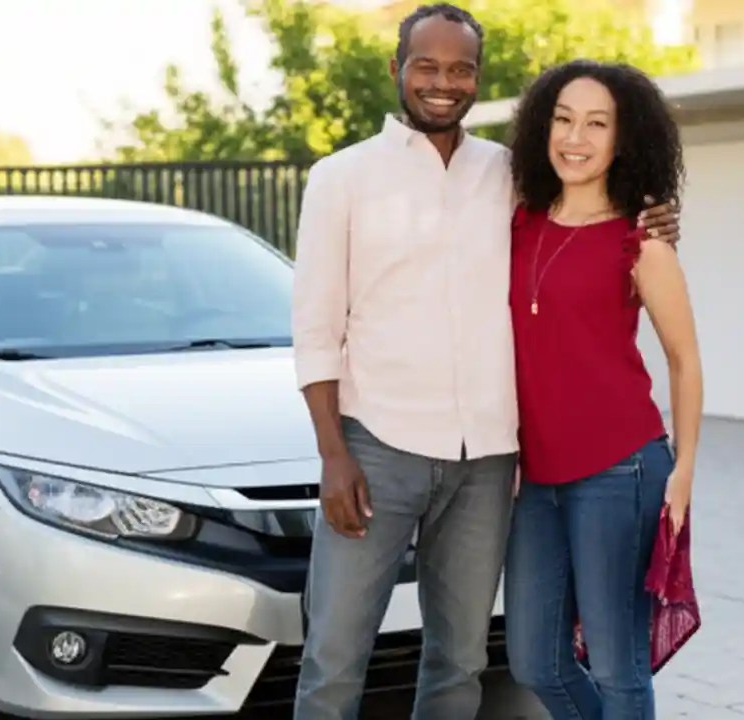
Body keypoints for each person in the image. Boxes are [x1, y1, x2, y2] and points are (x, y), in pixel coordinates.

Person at [289, 5, 681, 719]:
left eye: (461, 68)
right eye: (427, 66)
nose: (444, 82)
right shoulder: (341, 178)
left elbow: (590, 208)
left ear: (478, 78)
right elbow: (315, 331)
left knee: (460, 662)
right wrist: (332, 454)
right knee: (335, 656)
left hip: (490, 462)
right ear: (397, 70)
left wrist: (656, 215)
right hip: (377, 448)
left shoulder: (507, 174)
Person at [501, 58, 703, 720]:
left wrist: (684, 474)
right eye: (562, 119)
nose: (575, 138)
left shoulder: (642, 241)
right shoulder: (515, 222)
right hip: (535, 480)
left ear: (625, 138)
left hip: (623, 470)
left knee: (619, 669)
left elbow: (684, 359)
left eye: (596, 123)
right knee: (535, 660)